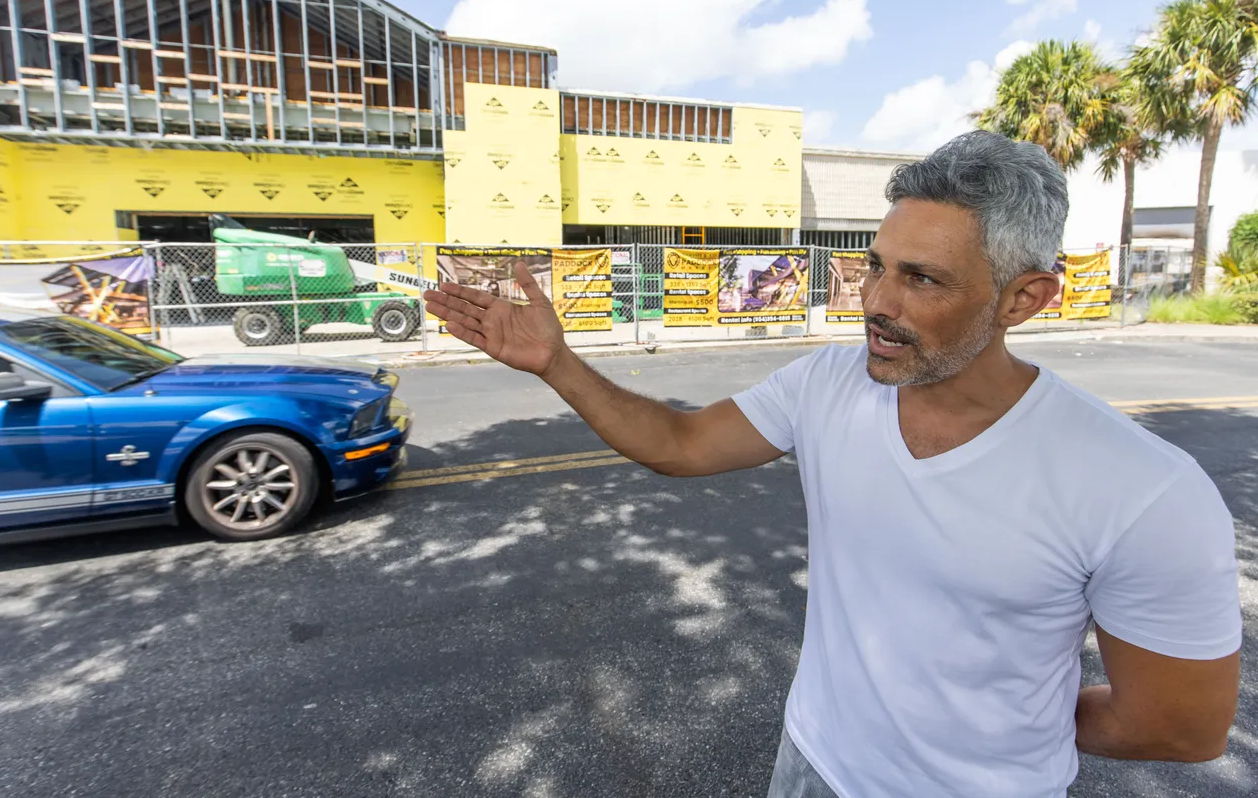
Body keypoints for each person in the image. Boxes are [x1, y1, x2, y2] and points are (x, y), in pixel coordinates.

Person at [423, 131, 1242, 798]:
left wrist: (997, 726)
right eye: (875, 265)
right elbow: (680, 444)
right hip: (808, 762)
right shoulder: (827, 381)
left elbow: (1176, 726)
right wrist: (557, 362)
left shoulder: (1144, 490)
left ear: (1023, 299)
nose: (877, 304)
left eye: (921, 279)